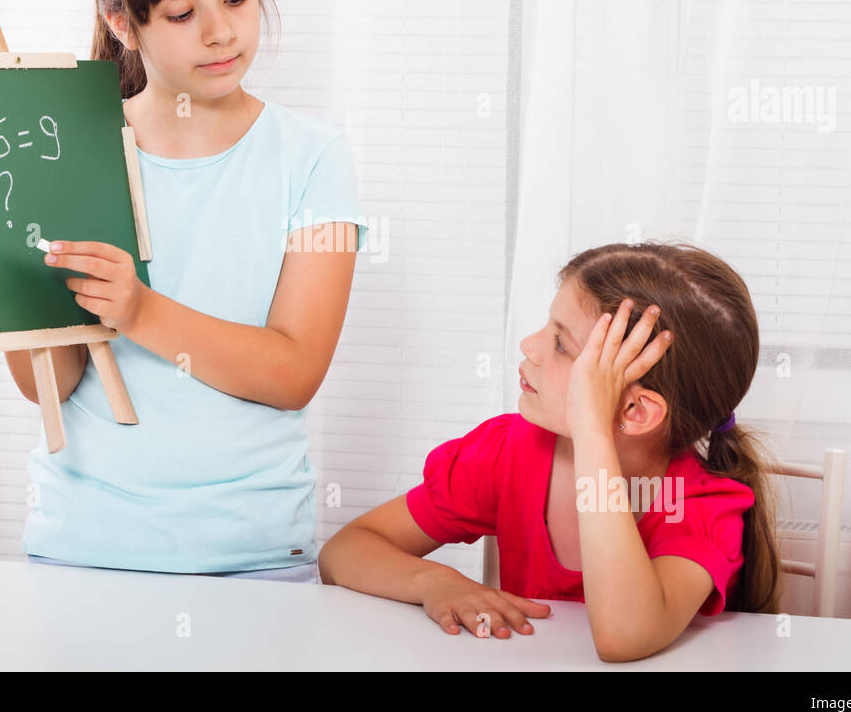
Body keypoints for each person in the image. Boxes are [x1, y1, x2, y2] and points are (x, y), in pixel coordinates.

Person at [10, 0, 367, 583]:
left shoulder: (313, 158)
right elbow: (47, 381)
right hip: (82, 546)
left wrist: (141, 310)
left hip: (254, 555)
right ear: (122, 22)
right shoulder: (69, 152)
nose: (220, 32)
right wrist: (6, 262)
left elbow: (295, 371)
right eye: (182, 14)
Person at [319, 241, 782, 659]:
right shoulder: (508, 451)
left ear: (636, 410)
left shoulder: (699, 505)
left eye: (561, 343)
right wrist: (434, 582)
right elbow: (344, 552)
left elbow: (624, 637)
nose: (529, 346)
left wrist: (593, 431)